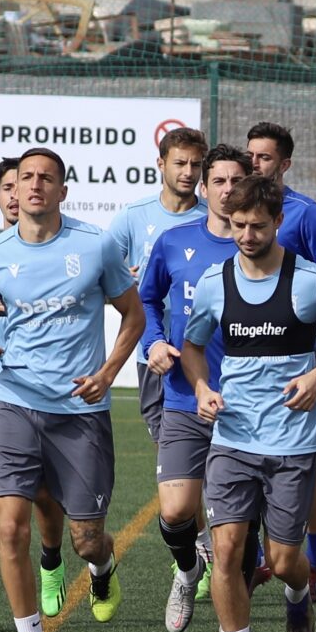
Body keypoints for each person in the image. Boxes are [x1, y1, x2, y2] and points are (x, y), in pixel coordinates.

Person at [0, 146, 146, 632]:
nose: (35, 185)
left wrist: (109, 372)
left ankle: (103, 572)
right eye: (26, 178)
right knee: (11, 527)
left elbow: (133, 313)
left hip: (80, 414)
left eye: (47, 178)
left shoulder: (94, 246)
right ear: (13, 190)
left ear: (63, 191)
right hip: (14, 406)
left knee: (87, 540)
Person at [182, 174, 316, 632]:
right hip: (233, 440)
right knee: (228, 549)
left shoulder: (309, 281)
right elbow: (193, 346)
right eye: (237, 225)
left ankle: (297, 591)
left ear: (278, 222)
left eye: (257, 226)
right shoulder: (217, 283)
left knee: (283, 560)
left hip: (291, 443)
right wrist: (200, 388)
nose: (245, 234)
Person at [139, 144, 252, 632]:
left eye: (236, 182)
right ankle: (187, 570)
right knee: (176, 509)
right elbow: (143, 299)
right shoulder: (172, 241)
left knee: (239, 529)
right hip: (186, 396)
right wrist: (154, 342)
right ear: (203, 188)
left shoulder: (266, 246)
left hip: (247, 404)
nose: (227, 190)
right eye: (219, 181)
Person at [243, 121, 316, 599]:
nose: (255, 165)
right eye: (250, 156)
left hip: (294, 361)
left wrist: (289, 292)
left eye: (264, 158)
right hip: (241, 359)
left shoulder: (306, 214)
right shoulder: (232, 214)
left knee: (299, 461)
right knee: (241, 458)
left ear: (285, 164)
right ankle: (257, 558)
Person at [0, 159, 68, 625]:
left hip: (37, 391)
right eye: (7, 187)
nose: (14, 194)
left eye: (20, 185)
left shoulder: (58, 253)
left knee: (43, 495)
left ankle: (50, 559)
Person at [116, 126, 212, 447]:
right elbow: (97, 276)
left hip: (205, 354)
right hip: (154, 356)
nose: (188, 172)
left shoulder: (212, 220)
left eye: (196, 165)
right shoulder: (133, 216)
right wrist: (118, 282)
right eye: (180, 163)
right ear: (160, 164)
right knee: (172, 456)